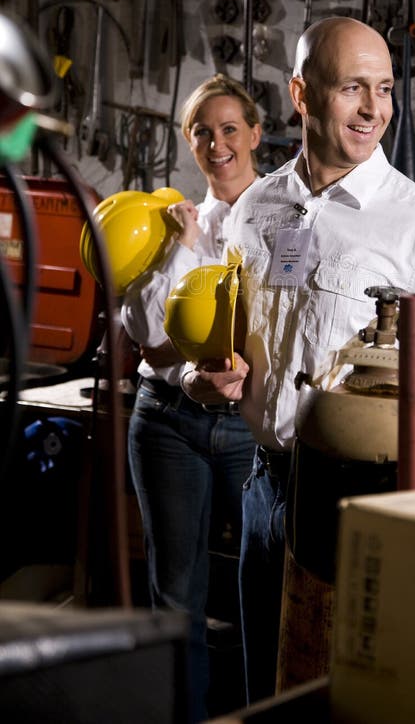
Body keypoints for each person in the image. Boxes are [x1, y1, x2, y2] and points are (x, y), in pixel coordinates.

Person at [180, 17, 415, 704]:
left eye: (386, 89)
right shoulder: (257, 208)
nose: (375, 110)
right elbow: (225, 347)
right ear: (302, 93)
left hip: (365, 505)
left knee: (353, 704)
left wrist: (395, 465)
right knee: (263, 696)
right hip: (264, 488)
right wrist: (201, 380)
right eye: (354, 88)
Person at [120, 73, 261, 723]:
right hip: (167, 421)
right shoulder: (174, 222)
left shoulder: (282, 218)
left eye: (230, 127)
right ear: (189, 141)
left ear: (256, 134)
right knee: (176, 596)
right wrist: (176, 251)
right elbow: (149, 339)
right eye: (203, 131)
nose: (217, 142)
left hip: (248, 425)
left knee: (261, 591)